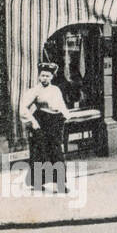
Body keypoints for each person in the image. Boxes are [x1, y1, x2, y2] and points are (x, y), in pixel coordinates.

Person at [18, 62, 70, 192]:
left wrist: (65, 116)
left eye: (48, 76)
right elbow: (23, 108)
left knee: (57, 153)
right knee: (40, 153)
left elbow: (62, 105)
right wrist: (33, 123)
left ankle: (60, 184)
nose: (45, 78)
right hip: (42, 122)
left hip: (55, 123)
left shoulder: (56, 90)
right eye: (42, 76)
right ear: (39, 77)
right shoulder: (35, 91)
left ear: (52, 76)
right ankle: (36, 183)